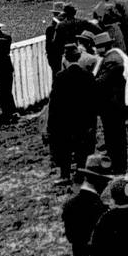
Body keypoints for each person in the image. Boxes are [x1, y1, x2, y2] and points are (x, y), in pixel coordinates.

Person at [47, 43, 97, 184]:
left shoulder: (60, 77)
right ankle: (81, 173)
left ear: (65, 59)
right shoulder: (88, 76)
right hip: (83, 119)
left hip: (65, 120)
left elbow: (54, 103)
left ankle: (65, 175)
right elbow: (93, 100)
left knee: (65, 147)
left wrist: (52, 123)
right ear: (79, 57)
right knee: (82, 148)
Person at [92, 31, 128, 174]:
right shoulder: (114, 56)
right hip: (117, 104)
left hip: (112, 106)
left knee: (114, 137)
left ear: (103, 47)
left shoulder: (110, 61)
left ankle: (118, 166)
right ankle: (119, 164)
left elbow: (101, 82)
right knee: (116, 137)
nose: (95, 49)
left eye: (97, 47)